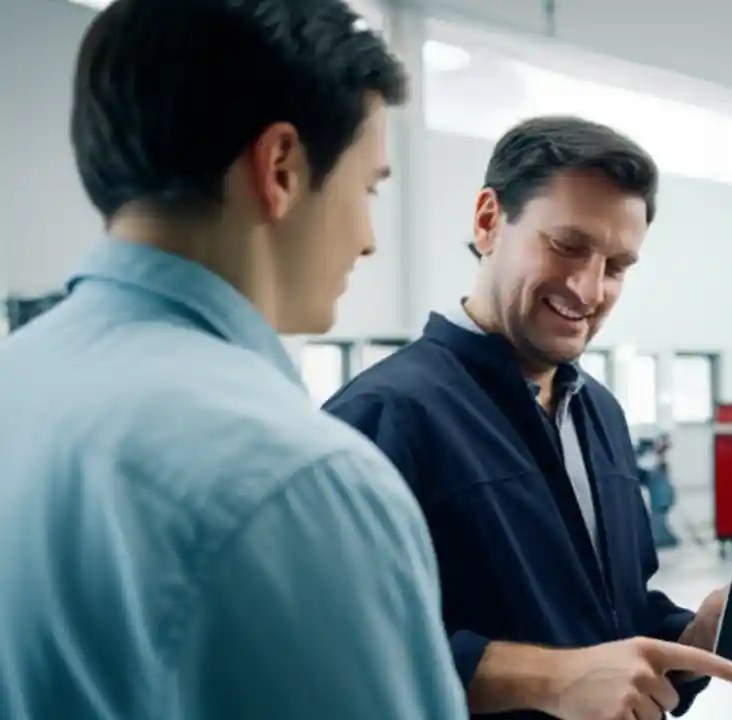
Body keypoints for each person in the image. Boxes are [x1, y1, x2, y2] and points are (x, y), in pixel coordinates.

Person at [0, 1, 466, 718]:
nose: (370, 238)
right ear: (281, 168)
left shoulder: (18, 384)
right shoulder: (299, 482)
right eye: (369, 188)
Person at [324, 116, 732, 719]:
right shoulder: (381, 418)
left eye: (616, 266)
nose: (589, 289)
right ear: (488, 221)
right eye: (567, 246)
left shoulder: (600, 412)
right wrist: (548, 680)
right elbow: (340, 654)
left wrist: (693, 639)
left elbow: (612, 618)